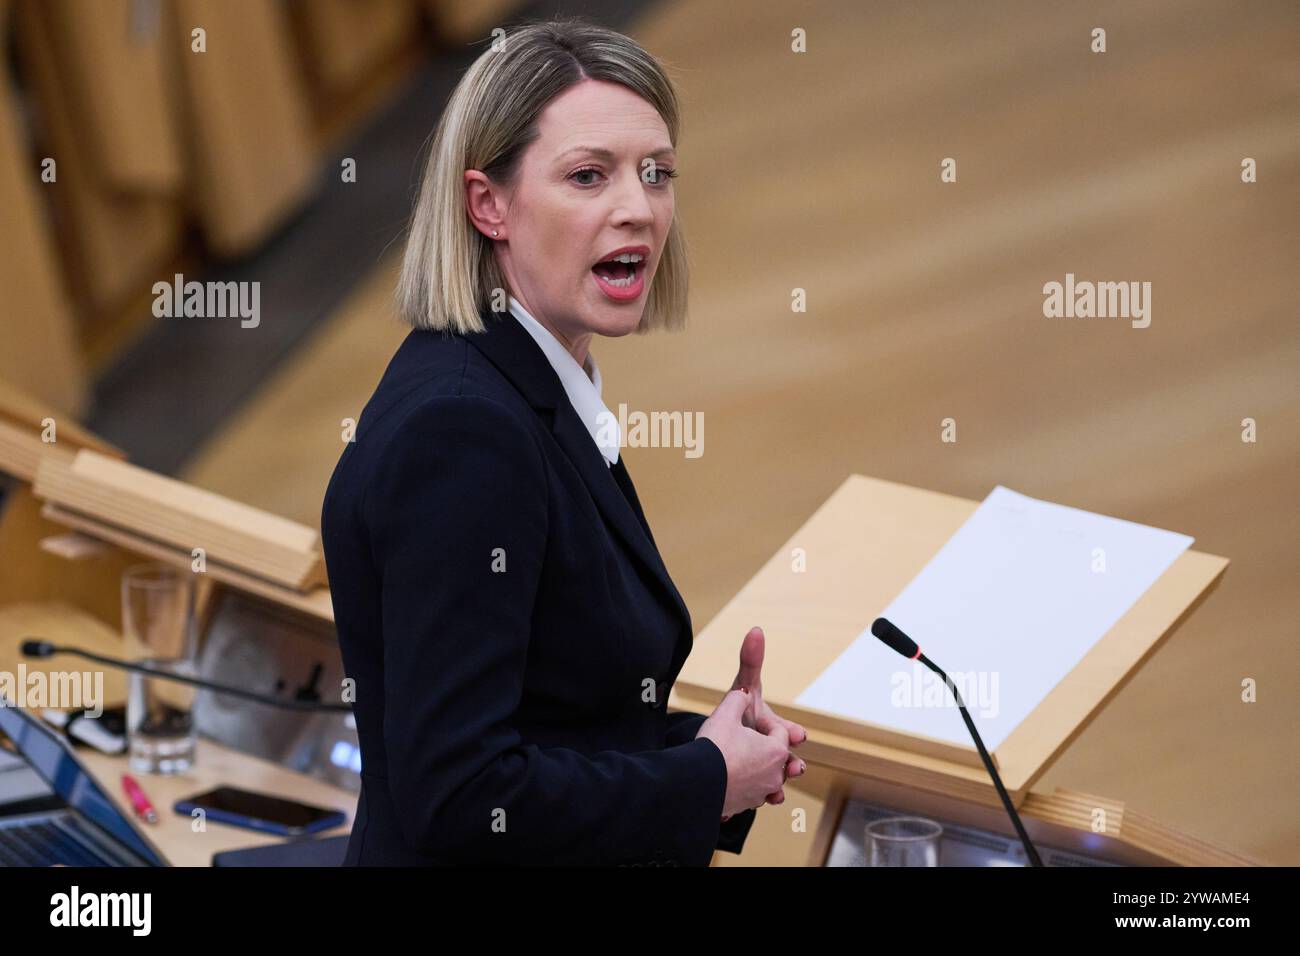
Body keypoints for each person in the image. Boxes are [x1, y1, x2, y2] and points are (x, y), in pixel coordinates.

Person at [321, 17, 806, 866]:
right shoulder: (465, 433)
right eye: (589, 176)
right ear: (489, 204)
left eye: (656, 175)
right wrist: (703, 780)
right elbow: (465, 797)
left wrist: (712, 749)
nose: (638, 210)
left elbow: (551, 710)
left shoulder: (524, 383)